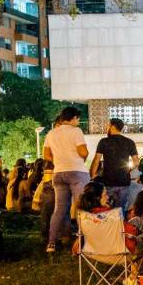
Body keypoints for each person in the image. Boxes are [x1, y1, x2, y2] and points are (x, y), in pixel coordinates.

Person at [43, 107, 90, 252]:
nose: (78, 122)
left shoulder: (51, 133)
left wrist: (58, 160)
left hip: (58, 173)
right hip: (77, 171)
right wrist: (82, 157)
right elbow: (83, 152)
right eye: (77, 119)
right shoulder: (76, 131)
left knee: (59, 209)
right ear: (73, 118)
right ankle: (84, 241)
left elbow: (46, 155)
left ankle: (51, 243)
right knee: (81, 207)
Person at [91, 118, 137, 213]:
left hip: (108, 181)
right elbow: (136, 162)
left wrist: (93, 174)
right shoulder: (129, 142)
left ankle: (109, 227)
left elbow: (96, 160)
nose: (106, 127)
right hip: (124, 181)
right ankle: (120, 226)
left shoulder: (104, 141)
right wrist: (128, 171)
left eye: (108, 125)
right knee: (121, 210)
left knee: (107, 209)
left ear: (112, 126)